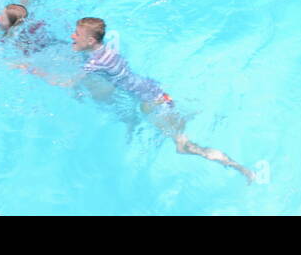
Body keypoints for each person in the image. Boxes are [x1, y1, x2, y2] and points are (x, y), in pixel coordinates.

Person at [20, 17, 254, 180]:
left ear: (91, 41)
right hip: (153, 90)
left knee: (184, 145)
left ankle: (237, 167)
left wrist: (29, 68)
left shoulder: (94, 62)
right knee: (179, 122)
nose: (72, 36)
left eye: (77, 34)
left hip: (153, 103)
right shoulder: (107, 49)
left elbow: (66, 82)